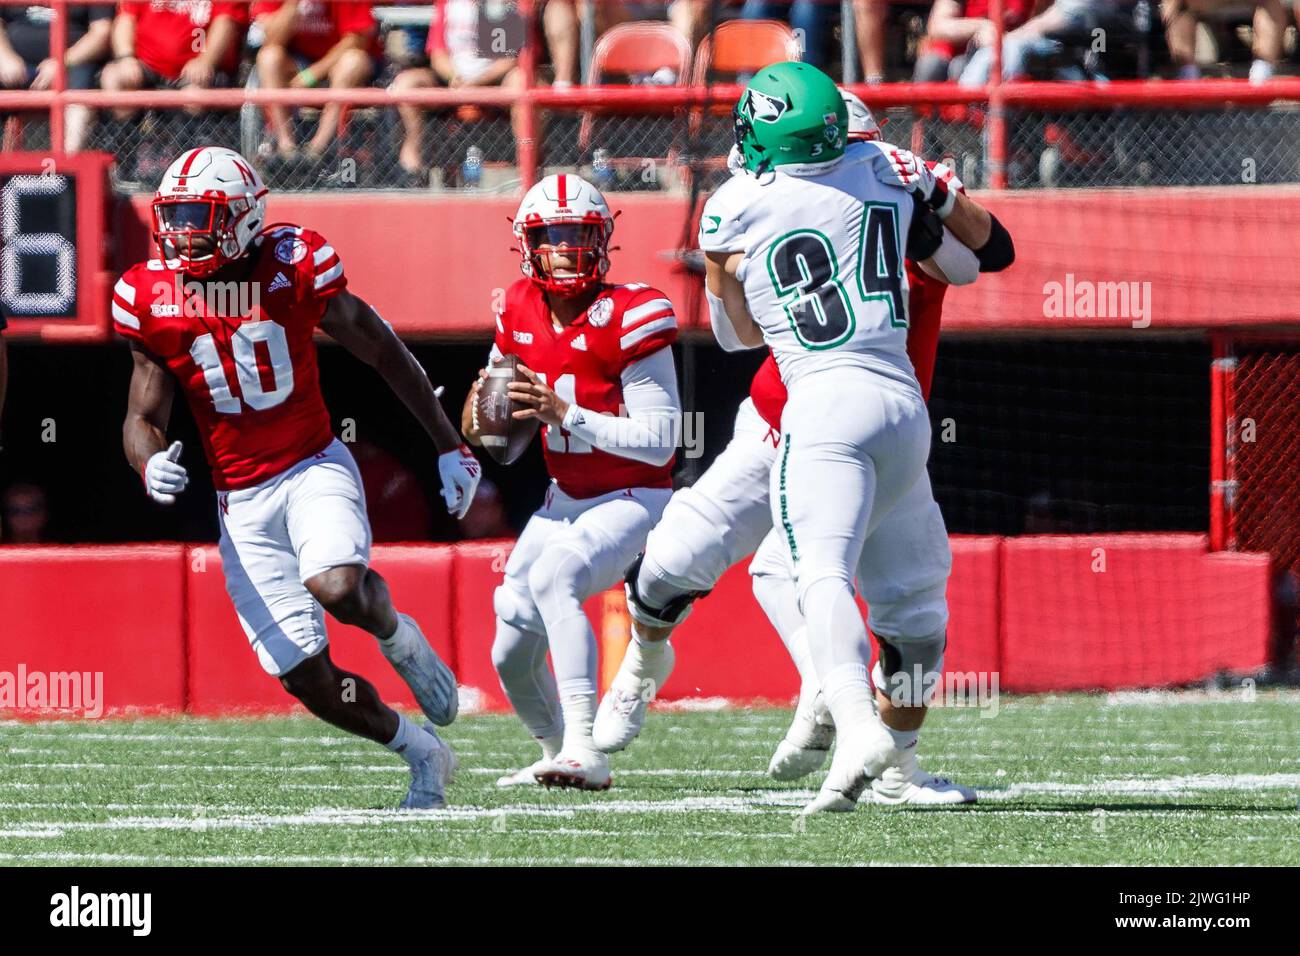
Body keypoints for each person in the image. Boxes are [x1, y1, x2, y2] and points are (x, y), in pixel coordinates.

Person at [597, 88, 1014, 806]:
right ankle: (643, 661)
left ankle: (887, 754)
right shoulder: (878, 176)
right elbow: (984, 256)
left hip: (847, 414)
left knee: (904, 610)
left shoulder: (772, 201)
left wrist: (934, 197)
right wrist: (929, 187)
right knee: (676, 564)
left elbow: (980, 258)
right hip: (782, 420)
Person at [112, 146, 482, 809]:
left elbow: (381, 349)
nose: (187, 232)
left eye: (203, 215)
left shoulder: (292, 263)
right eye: (178, 216)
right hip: (239, 501)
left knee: (336, 586)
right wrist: (149, 460)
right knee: (304, 676)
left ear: (248, 217)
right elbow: (142, 414)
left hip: (311, 465)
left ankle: (399, 637)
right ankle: (421, 751)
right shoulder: (150, 294)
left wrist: (447, 444)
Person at [461, 173, 681, 792]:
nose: (567, 248)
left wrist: (570, 416)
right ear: (529, 243)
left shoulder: (634, 312)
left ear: (603, 239)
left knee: (559, 575)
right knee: (508, 646)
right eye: (554, 235)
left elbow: (661, 439)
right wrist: (479, 416)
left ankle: (587, 747)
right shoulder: (516, 307)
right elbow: (490, 431)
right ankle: (556, 750)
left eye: (580, 235)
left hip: (636, 495)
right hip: (565, 501)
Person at [389, 0, 526, 187]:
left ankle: (525, 171)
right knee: (407, 84)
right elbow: (438, 55)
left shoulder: (502, 4)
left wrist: (477, 82)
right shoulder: (447, 4)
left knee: (521, 81)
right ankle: (413, 171)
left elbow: (510, 58)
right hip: (452, 82)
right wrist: (456, 79)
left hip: (496, 81)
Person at [252, 0, 380, 163]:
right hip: (298, 63)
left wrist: (312, 74)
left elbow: (356, 40)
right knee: (268, 57)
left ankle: (317, 150)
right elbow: (270, 39)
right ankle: (286, 149)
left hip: (339, 64)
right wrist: (292, 5)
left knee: (354, 60)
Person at [0, 3, 112, 152]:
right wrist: (4, 56)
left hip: (73, 62)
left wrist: (62, 62)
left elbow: (101, 32)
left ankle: (64, 168)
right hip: (13, 64)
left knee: (79, 97)